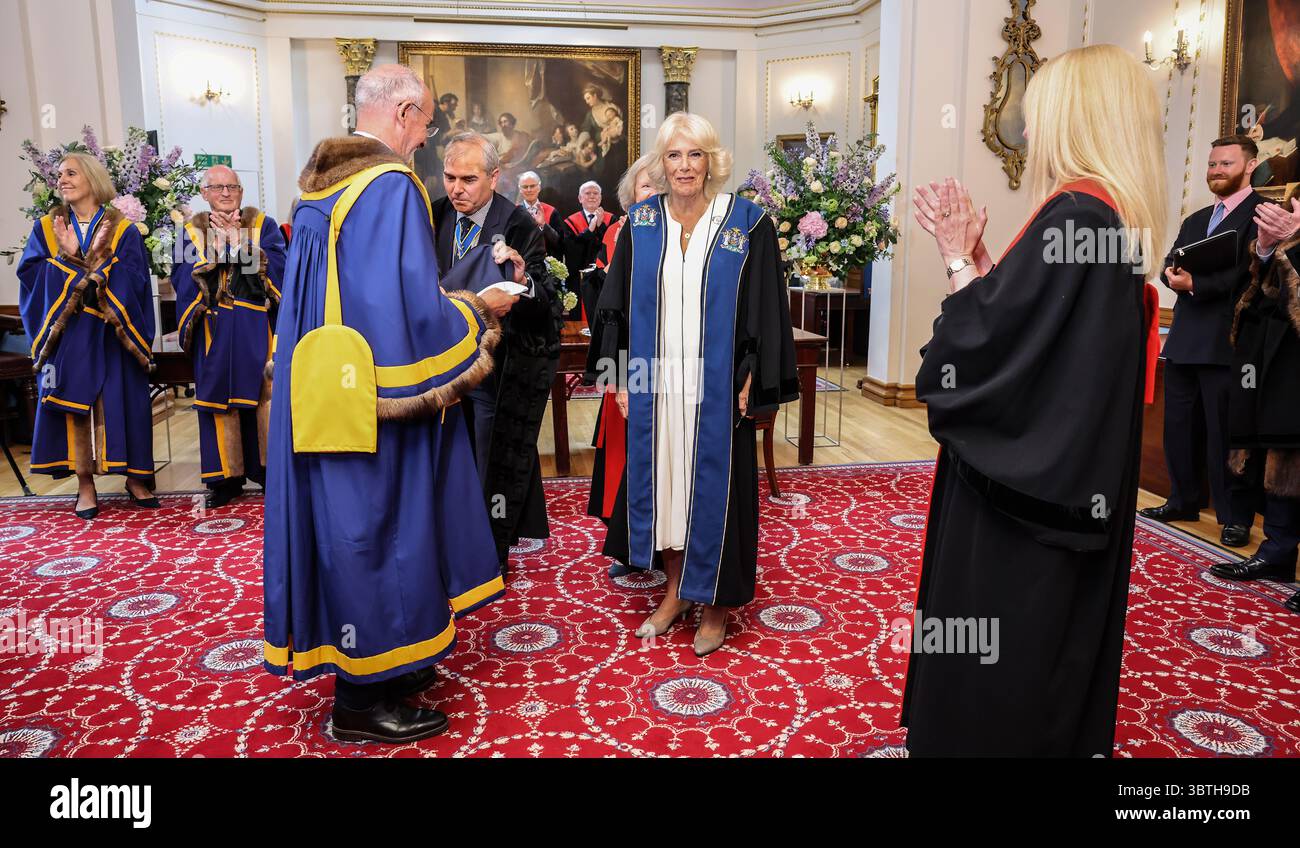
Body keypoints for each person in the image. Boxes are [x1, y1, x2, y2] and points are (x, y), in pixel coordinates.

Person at [901, 44, 1167, 756]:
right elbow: (1044, 336)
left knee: (1004, 660)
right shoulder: (1109, 219)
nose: (1031, 128)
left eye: (1040, 111)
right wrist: (990, 272)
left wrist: (959, 261)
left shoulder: (1073, 216)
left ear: (1071, 118)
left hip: (1020, 502)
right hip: (1072, 482)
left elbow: (984, 352)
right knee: (1050, 653)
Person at [262, 65, 517, 743]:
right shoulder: (389, 185)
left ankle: (385, 664)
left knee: (348, 526)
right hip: (373, 400)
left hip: (322, 392)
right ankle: (361, 701)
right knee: (381, 530)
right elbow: (403, 312)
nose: (427, 136)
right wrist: (477, 311)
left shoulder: (320, 189)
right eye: (427, 120)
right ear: (404, 112)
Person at [586, 112, 798, 657]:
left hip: (719, 386)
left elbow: (764, 310)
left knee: (717, 491)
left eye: (695, 154)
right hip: (657, 384)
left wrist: (753, 376)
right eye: (675, 155)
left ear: (711, 161)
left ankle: (717, 607)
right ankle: (677, 590)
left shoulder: (747, 224)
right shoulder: (641, 223)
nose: (685, 166)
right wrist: (620, 378)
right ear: (662, 162)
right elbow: (616, 305)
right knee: (668, 487)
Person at [431, 131, 564, 571]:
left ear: (494, 176)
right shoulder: (434, 215)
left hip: (496, 368)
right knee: (444, 456)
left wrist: (524, 283)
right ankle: (445, 543)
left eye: (468, 179)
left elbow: (549, 295)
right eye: (450, 177)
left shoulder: (520, 224)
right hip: (439, 363)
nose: (456, 189)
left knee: (489, 461)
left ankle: (489, 553)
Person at [18, 152, 158, 519]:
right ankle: (84, 484)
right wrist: (70, 261)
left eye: (71, 173)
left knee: (123, 400)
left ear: (93, 179)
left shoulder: (121, 228)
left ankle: (136, 477)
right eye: (59, 174)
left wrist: (89, 263)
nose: (62, 179)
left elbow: (135, 280)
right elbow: (31, 274)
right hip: (71, 334)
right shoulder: (46, 228)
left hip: (113, 332)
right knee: (76, 408)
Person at [1140, 137, 1264, 547]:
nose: (1215, 171)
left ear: (1250, 166)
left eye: (1225, 163)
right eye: (1212, 164)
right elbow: (1171, 263)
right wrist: (1173, 276)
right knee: (1179, 426)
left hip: (1228, 342)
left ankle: (1234, 517)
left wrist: (1198, 283)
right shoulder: (1196, 219)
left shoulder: (1263, 215)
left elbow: (1255, 277)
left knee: (1223, 433)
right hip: (1184, 339)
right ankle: (1183, 499)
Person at [172, 165, 287, 509]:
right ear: (204, 194)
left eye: (232, 186)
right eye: (217, 187)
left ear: (241, 190)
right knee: (217, 401)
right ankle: (225, 478)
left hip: (255, 326)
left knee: (263, 398)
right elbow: (181, 277)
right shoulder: (189, 233)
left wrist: (241, 246)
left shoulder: (262, 224)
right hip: (213, 328)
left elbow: (279, 275)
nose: (225, 193)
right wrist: (215, 258)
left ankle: (267, 472)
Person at [1210, 191, 1300, 613]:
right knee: (1282, 455)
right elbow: (1264, 292)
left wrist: (1292, 245)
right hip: (1278, 357)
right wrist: (1266, 249)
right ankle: (1277, 553)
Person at [584, 153, 657, 579]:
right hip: (632, 358)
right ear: (630, 198)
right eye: (647, 186)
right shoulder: (623, 234)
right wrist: (616, 375)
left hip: (678, 364)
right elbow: (615, 312)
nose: (654, 193)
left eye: (659, 186)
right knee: (626, 451)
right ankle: (630, 545)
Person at [561, 181, 613, 320]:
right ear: (580, 198)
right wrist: (590, 230)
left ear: (600, 198)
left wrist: (601, 226)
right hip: (578, 279)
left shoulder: (611, 220)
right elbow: (572, 253)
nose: (592, 197)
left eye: (595, 193)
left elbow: (610, 249)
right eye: (587, 193)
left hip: (603, 278)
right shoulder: (569, 222)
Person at [517, 170, 564, 258]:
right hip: (521, 264)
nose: (529, 190)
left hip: (546, 264)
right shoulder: (513, 212)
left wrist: (543, 225)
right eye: (525, 187)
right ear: (520, 189)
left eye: (532, 186)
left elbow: (559, 243)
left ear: (539, 187)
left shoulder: (551, 211)